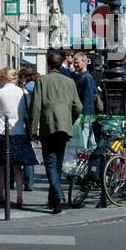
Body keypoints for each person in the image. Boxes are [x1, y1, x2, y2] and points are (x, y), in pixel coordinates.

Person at [29, 50, 82, 214]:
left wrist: (33, 128)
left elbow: (36, 106)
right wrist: (69, 119)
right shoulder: (69, 81)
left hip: (48, 126)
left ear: (48, 64)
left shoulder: (42, 81)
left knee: (51, 164)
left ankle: (58, 195)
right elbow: (78, 107)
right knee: (57, 164)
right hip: (65, 127)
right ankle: (54, 202)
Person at [0, 67, 37, 208]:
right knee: (18, 167)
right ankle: (19, 196)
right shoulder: (23, 93)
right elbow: (27, 112)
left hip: (2, 132)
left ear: (4, 77)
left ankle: (1, 194)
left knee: (2, 165)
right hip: (19, 131)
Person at [72, 54, 97, 118]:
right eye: (74, 63)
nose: (75, 65)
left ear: (84, 62)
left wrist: (85, 117)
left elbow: (88, 100)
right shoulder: (79, 77)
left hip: (84, 116)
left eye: (77, 63)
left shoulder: (87, 78)